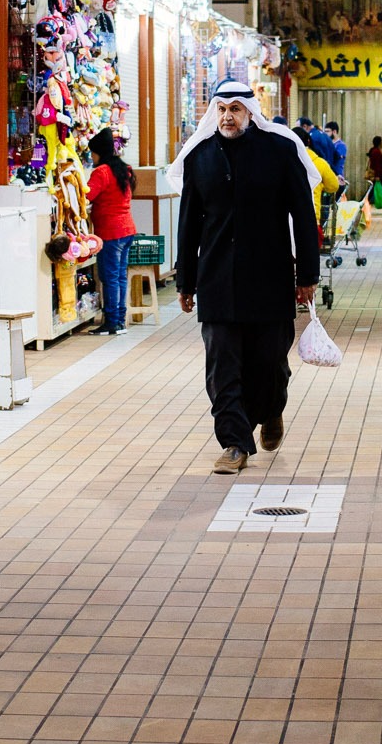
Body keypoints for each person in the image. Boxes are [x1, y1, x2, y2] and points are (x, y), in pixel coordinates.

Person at [172, 80, 320, 474]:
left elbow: (303, 216)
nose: (227, 116)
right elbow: (188, 224)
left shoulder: (280, 152)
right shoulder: (199, 158)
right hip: (217, 279)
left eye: (235, 109)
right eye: (221, 109)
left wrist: (307, 274)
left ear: (251, 112)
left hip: (269, 276)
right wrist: (185, 280)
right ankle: (235, 443)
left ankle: (272, 409)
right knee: (222, 366)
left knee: (269, 363)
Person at [85, 128, 137, 335]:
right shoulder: (125, 169)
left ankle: (111, 323)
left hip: (110, 232)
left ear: (99, 152)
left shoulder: (101, 172)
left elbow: (86, 196)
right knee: (120, 276)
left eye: (92, 153)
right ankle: (120, 321)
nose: (91, 157)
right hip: (127, 229)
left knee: (110, 277)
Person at [366, 135, 382, 213]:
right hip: (378, 175)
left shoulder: (375, 151)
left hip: (378, 175)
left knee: (372, 191)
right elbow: (376, 164)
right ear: (379, 143)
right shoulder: (376, 152)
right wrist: (377, 175)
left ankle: (362, 204)